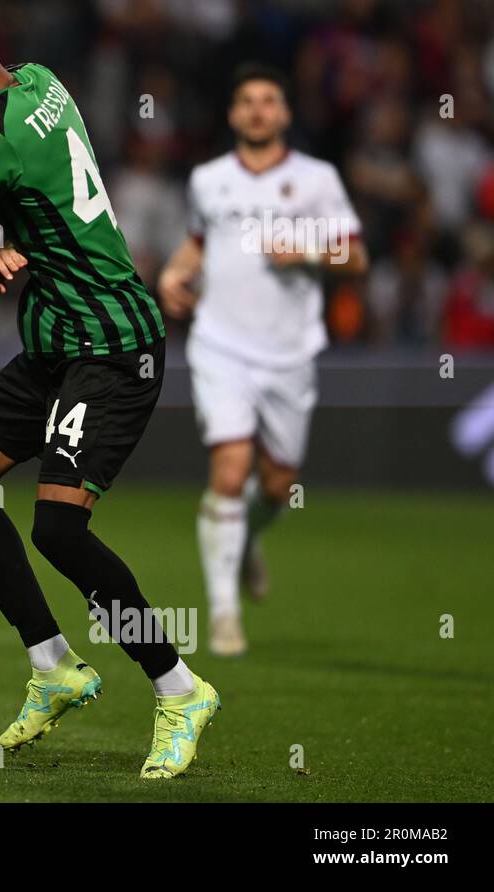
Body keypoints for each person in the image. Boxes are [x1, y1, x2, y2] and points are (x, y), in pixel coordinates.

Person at [0, 3, 217, 779]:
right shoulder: (43, 81)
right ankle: (53, 665)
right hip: (55, 346)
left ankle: (180, 689)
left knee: (59, 531)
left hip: (110, 349)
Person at [159, 64, 367, 656]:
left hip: (289, 352)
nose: (257, 110)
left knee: (278, 486)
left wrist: (306, 251)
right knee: (229, 471)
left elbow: (355, 259)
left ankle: (248, 537)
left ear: (285, 113)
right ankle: (224, 615)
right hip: (220, 344)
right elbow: (198, 243)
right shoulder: (209, 179)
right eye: (246, 101)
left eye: (268, 100)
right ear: (233, 114)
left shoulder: (317, 180)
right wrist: (174, 273)